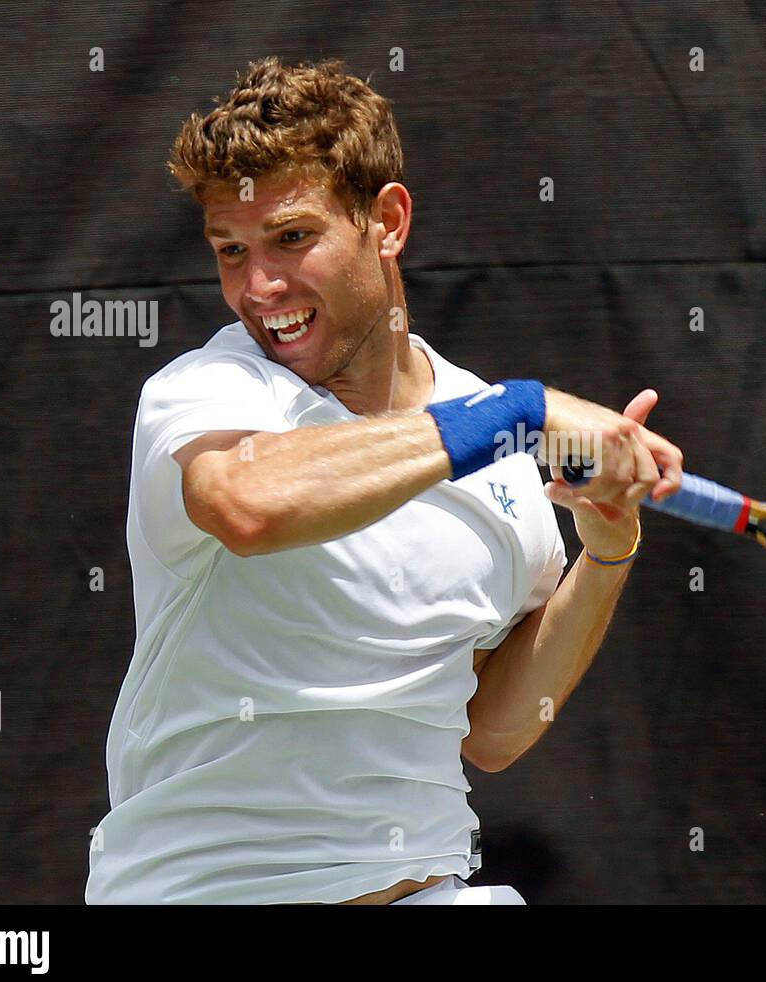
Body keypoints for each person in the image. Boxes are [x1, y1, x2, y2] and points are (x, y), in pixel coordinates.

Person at [85, 56, 682, 905]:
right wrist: (517, 410)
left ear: (388, 220)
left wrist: (608, 547)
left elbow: (496, 731)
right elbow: (250, 504)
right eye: (231, 251)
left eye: (292, 237)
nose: (260, 289)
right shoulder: (208, 394)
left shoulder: (495, 438)